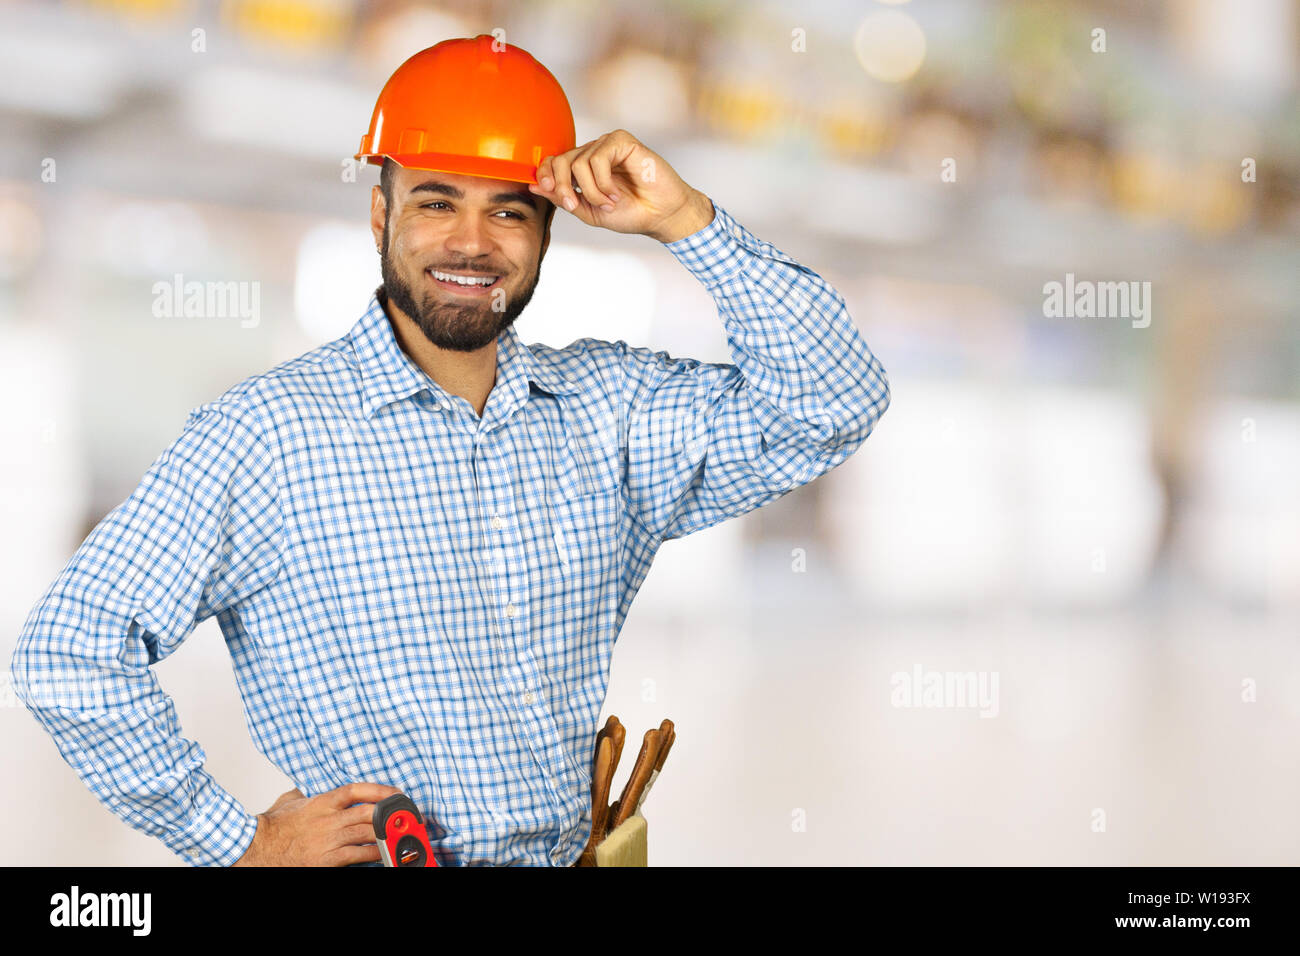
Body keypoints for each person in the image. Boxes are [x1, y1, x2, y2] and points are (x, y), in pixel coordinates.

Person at [10, 37, 890, 866]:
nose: (472, 243)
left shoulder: (608, 414)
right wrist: (239, 841)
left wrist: (688, 222)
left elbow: (836, 399)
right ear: (378, 209)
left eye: (508, 211)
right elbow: (69, 650)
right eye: (436, 201)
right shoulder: (269, 436)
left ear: (549, 230)